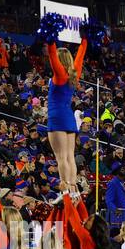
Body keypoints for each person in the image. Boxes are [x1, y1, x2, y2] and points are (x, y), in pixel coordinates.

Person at [46, 36, 86, 192]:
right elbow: (80, 56)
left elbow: (51, 56)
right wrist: (84, 41)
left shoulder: (60, 75)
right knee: (70, 157)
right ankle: (73, 187)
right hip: (69, 118)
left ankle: (65, 189)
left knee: (61, 157)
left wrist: (50, 40)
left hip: (57, 117)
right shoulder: (73, 75)